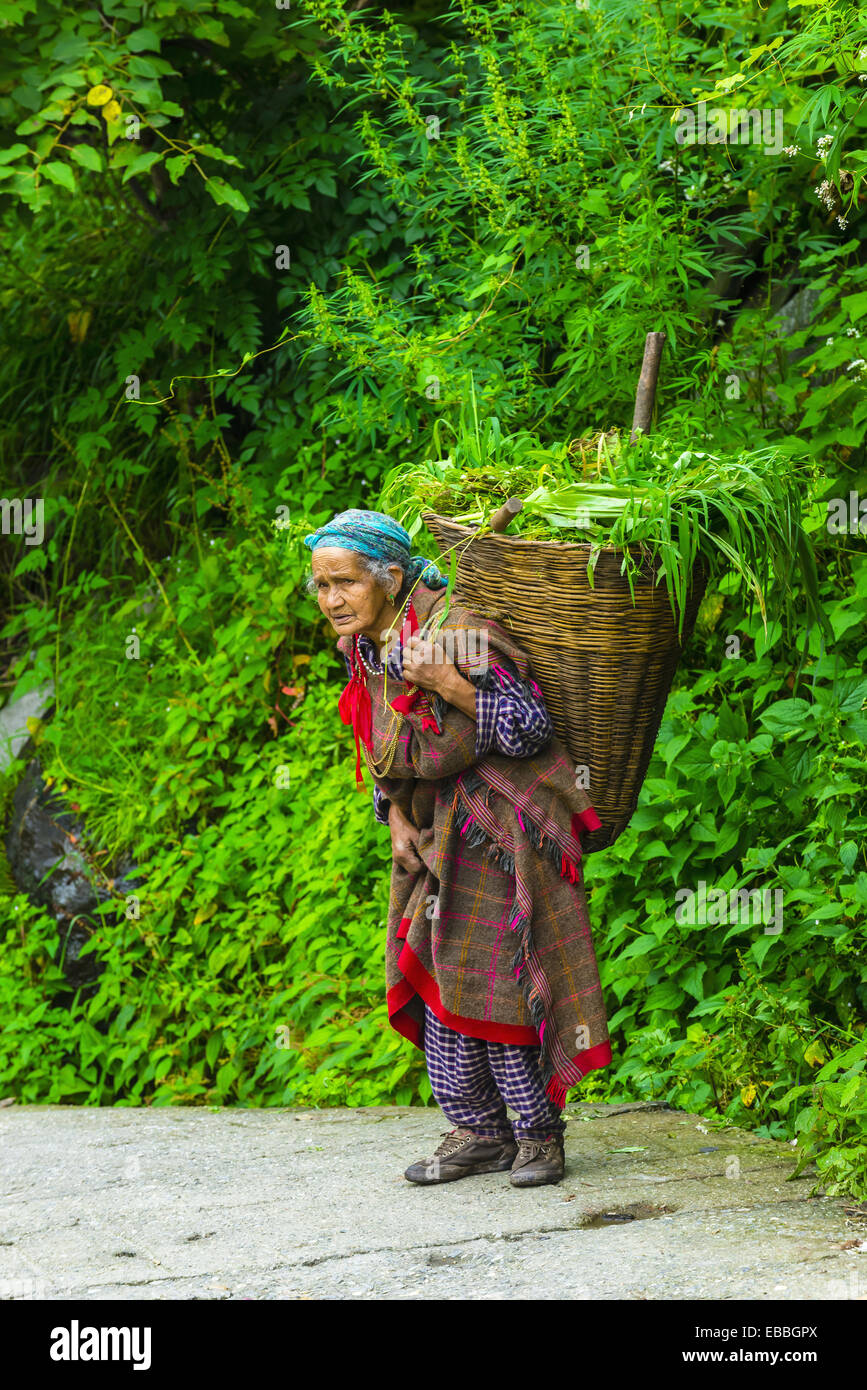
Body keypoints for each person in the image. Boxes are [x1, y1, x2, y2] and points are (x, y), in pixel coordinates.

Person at [303, 508, 611, 1187]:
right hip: (433, 830)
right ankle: (476, 1130)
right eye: (321, 586)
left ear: (387, 577)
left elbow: (530, 729)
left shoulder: (458, 633)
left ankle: (537, 1137)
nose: (332, 601)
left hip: (502, 828)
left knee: (498, 979)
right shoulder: (361, 646)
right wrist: (393, 817)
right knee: (435, 971)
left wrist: (447, 685)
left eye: (345, 583)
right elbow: (379, 737)